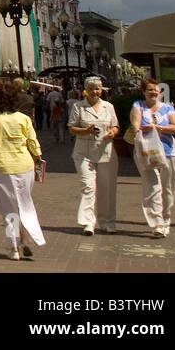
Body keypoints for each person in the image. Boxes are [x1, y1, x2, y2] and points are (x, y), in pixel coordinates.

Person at [0, 81, 45, 261]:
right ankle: (26, 239)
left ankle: (13, 247)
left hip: (2, 167)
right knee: (24, 203)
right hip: (25, 165)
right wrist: (38, 157)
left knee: (8, 208)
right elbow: (33, 142)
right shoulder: (23, 119)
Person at [131, 78, 175, 238]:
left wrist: (157, 127)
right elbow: (135, 125)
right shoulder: (137, 106)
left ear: (160, 92)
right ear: (144, 91)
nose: (153, 92)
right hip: (147, 153)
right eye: (150, 90)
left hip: (168, 152)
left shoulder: (168, 108)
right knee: (152, 187)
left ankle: (166, 218)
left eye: (156, 90)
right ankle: (157, 224)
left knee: (168, 188)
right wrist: (138, 128)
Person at [67, 76, 118, 236]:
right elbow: (71, 128)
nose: (95, 92)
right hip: (84, 151)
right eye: (91, 89)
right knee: (88, 187)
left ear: (101, 90)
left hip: (105, 151)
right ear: (85, 91)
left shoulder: (108, 106)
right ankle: (88, 223)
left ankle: (107, 222)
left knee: (106, 188)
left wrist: (113, 132)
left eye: (97, 89)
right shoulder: (78, 107)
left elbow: (115, 126)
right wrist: (86, 130)